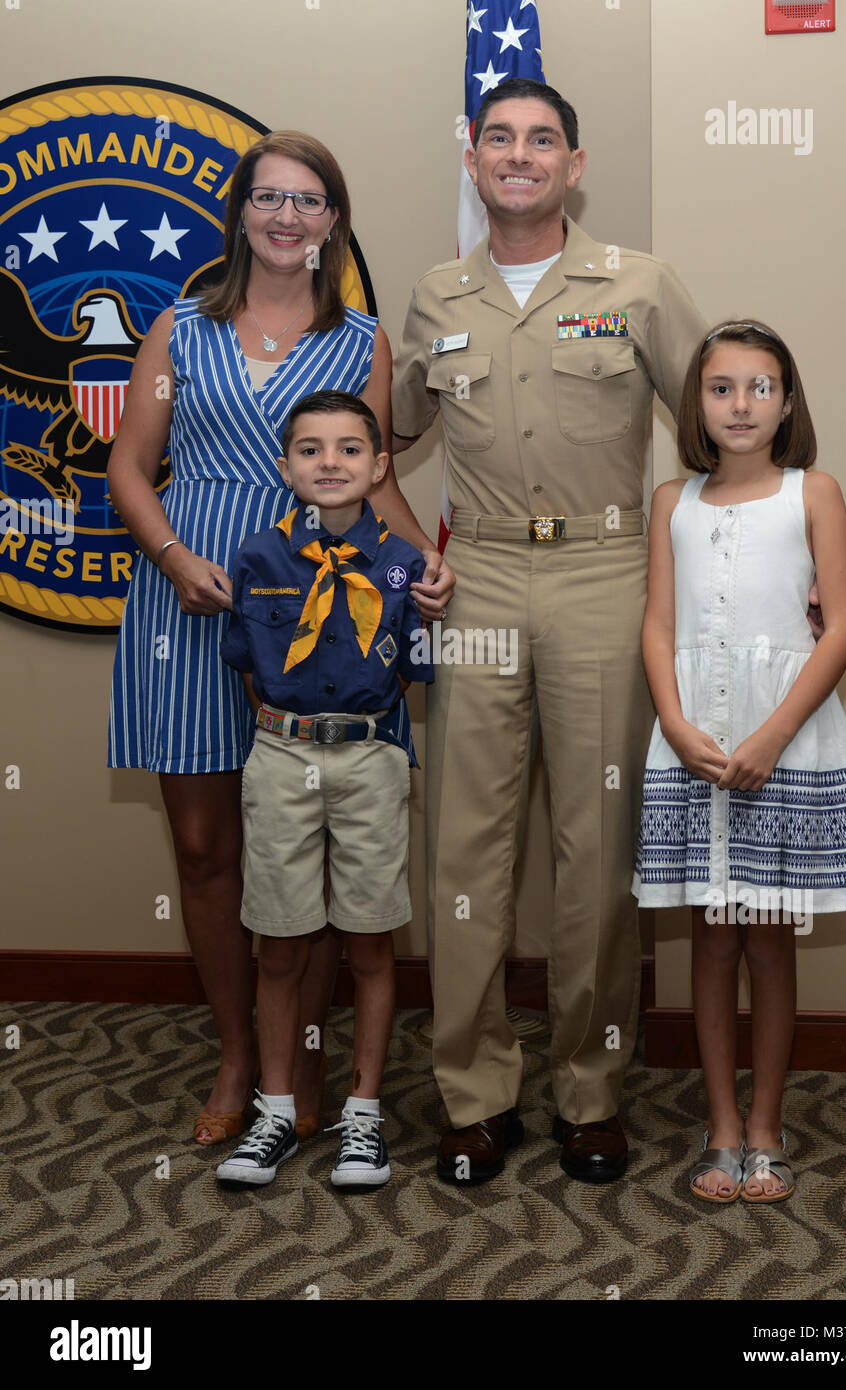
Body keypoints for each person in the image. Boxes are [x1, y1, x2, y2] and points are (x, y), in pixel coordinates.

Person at [392, 78, 708, 1183]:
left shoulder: (639, 284)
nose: (518, 156)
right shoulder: (434, 300)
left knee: (594, 849)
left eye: (541, 140)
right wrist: (410, 558)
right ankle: (474, 1094)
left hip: (603, 574)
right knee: (464, 848)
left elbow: (718, 426)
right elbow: (378, 437)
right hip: (476, 578)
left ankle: (589, 1090)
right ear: (472, 160)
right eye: (498, 139)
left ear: (574, 164)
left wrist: (777, 561)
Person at [107, 130, 451, 1147]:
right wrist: (174, 557)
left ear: (333, 224)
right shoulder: (180, 328)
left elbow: (374, 475)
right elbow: (131, 465)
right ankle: (236, 1055)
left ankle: (302, 1053)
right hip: (189, 597)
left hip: (323, 624)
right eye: (269, 198)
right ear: (241, 211)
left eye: (309, 202)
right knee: (211, 849)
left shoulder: (361, 343)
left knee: (325, 841)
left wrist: (418, 564)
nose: (287, 217)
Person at [632, 320, 846, 1203]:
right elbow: (658, 625)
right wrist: (672, 718)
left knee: (771, 942)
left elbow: (842, 624)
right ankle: (722, 1125)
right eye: (721, 387)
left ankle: (767, 1125)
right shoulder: (673, 500)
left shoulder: (814, 492)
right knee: (708, 939)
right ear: (696, 402)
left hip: (789, 740)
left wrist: (773, 735)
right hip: (692, 737)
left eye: (759, 387)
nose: (740, 404)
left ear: (787, 402)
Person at [214, 391, 432, 1186]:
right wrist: (283, 737)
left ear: (379, 467)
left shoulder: (407, 565)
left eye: (348, 449)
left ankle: (363, 1115)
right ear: (286, 467)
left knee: (371, 941)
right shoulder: (257, 558)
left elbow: (417, 672)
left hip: (370, 758)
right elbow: (246, 663)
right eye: (310, 450)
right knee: (279, 943)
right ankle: (274, 1111)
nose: (330, 463)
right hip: (280, 756)